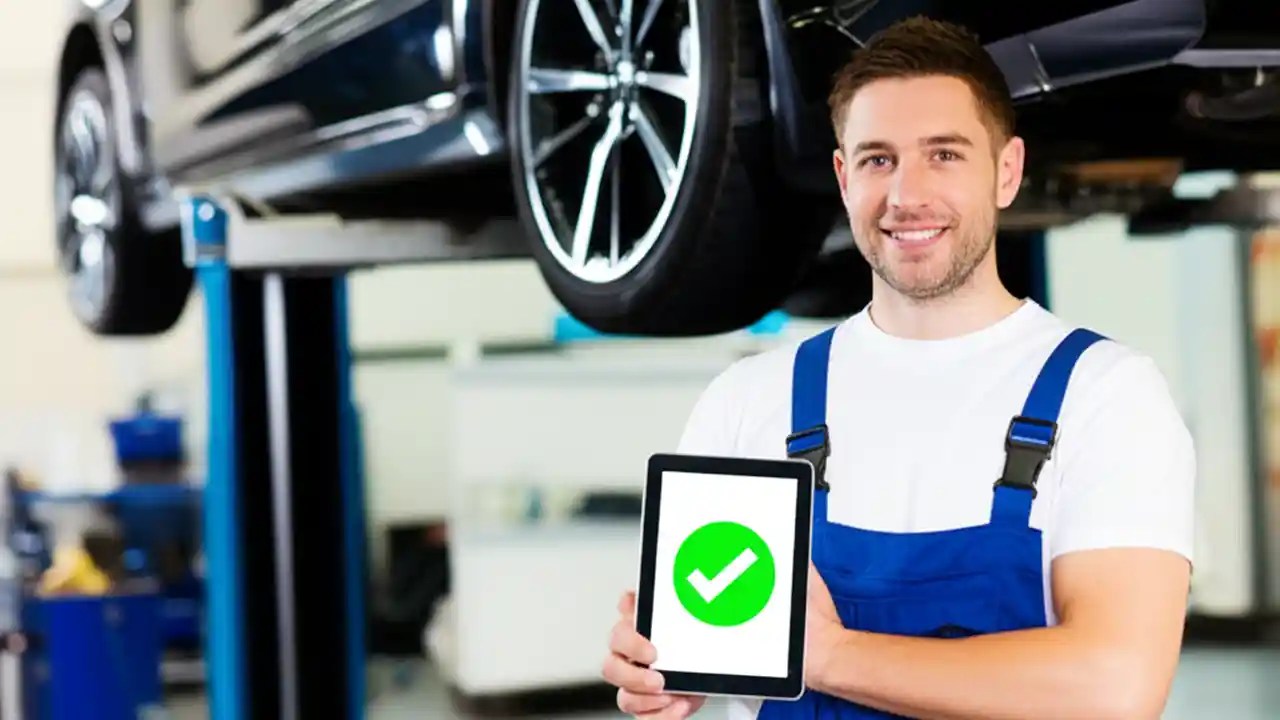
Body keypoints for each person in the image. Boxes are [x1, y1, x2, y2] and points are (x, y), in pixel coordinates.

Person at [602, 15, 1197, 720]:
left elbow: (1113, 689)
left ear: (1006, 171)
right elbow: (697, 643)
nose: (907, 195)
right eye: (878, 159)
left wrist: (826, 656)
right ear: (843, 176)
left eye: (943, 154)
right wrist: (661, 674)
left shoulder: (1107, 395)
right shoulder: (747, 401)